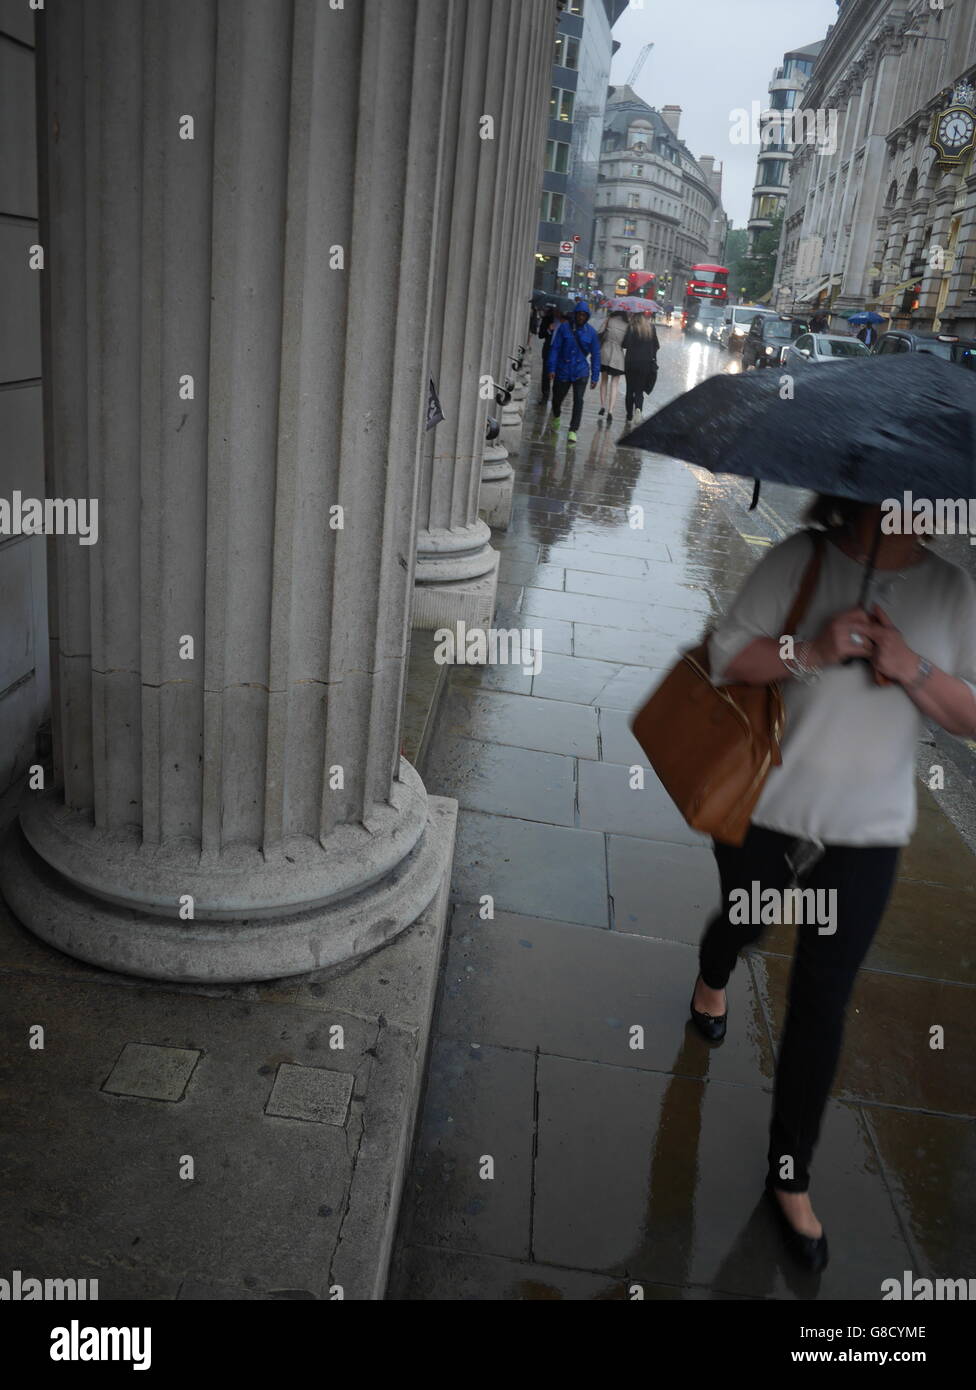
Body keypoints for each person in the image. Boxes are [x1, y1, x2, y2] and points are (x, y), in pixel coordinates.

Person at [689, 495, 976, 1271]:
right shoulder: (801, 560)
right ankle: (712, 971)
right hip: (769, 815)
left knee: (822, 1000)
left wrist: (910, 667)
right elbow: (726, 657)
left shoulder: (952, 593)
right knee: (745, 928)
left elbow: (971, 714)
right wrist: (811, 651)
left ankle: (790, 1174)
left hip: (867, 838)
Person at [546, 299, 600, 443]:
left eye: (584, 315)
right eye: (579, 314)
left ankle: (573, 429)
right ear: (575, 314)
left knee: (578, 400)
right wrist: (551, 368)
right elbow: (555, 348)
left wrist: (595, 376)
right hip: (563, 369)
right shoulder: (564, 328)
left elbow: (596, 355)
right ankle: (556, 415)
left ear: (587, 316)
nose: (581, 317)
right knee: (557, 398)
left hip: (581, 371)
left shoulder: (592, 333)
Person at [622, 312, 659, 423]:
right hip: (645, 364)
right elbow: (657, 345)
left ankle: (629, 415)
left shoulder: (631, 327)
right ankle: (638, 408)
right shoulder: (651, 328)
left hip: (630, 363)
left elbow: (625, 344)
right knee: (639, 390)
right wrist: (650, 353)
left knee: (629, 389)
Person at [597, 310, 628, 424]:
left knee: (604, 381)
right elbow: (626, 343)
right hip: (618, 357)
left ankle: (602, 405)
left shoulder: (609, 320)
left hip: (605, 353)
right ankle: (610, 411)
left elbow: (599, 334)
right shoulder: (627, 325)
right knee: (614, 384)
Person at [537, 303, 560, 404]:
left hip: (560, 352)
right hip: (548, 350)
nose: (557, 312)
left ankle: (556, 397)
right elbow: (541, 335)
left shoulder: (566, 322)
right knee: (546, 374)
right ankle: (545, 395)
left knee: (558, 375)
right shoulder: (547, 319)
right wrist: (549, 330)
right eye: (555, 309)